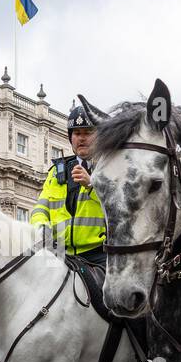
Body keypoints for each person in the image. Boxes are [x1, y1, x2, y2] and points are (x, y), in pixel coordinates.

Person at [29, 99, 106, 266]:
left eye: (87, 133)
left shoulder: (109, 169)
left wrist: (92, 186)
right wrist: (40, 227)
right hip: (59, 253)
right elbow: (41, 208)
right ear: (71, 138)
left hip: (98, 255)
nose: (82, 138)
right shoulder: (57, 171)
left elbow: (118, 211)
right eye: (77, 134)